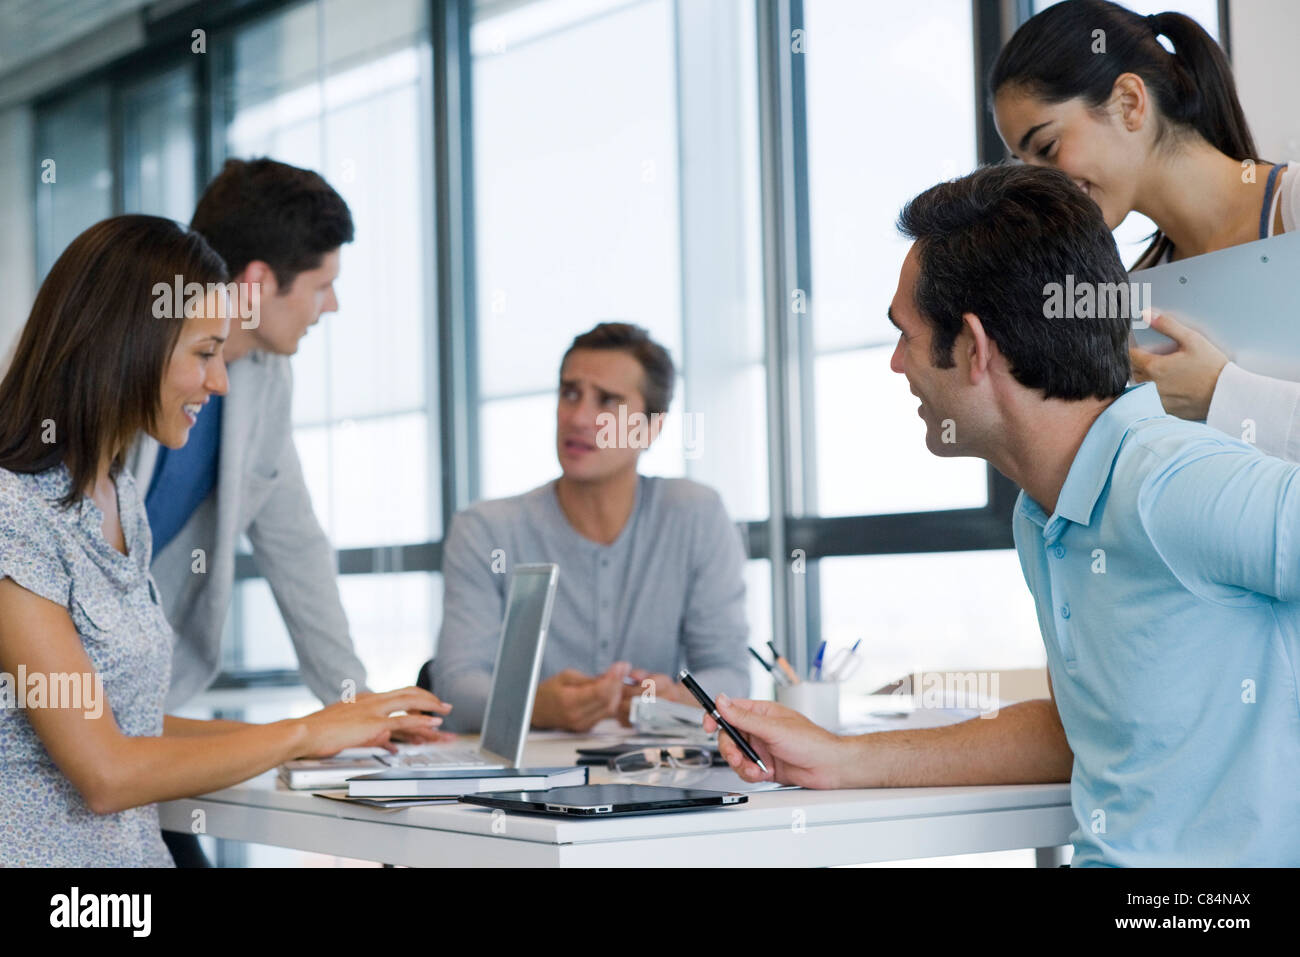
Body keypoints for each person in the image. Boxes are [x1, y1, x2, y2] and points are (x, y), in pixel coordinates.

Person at [705, 164, 1300, 867]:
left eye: (906, 335)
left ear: (975, 349)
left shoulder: (1168, 480)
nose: (897, 365)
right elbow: (1076, 733)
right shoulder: (1045, 512)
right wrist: (839, 757)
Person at [0, 215, 449, 867]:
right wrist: (302, 732)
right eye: (205, 353)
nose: (221, 382)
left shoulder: (120, 493)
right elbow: (105, 771)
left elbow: (134, 720)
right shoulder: (15, 516)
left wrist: (333, 735)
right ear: (133, 344)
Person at [990, 0, 1300, 459]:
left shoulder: (1291, 208)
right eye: (1026, 164)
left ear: (1130, 103)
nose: (1042, 183)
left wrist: (1221, 394)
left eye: (1048, 147)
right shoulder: (1138, 296)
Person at [432, 322, 750, 733]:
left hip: (657, 778)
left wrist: (679, 697)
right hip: (524, 784)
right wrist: (533, 706)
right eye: (569, 393)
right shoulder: (485, 531)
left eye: (607, 401)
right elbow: (454, 690)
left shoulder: (696, 515)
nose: (579, 417)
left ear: (651, 427)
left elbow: (730, 673)